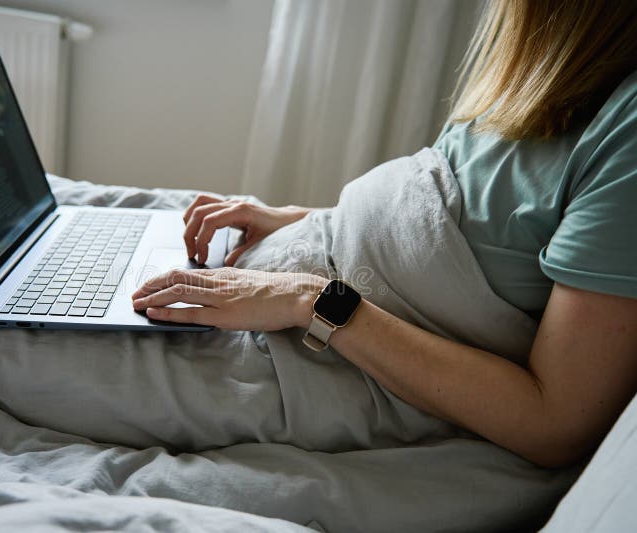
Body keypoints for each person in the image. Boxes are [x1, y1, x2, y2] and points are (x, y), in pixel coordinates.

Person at [132, 0, 637, 468]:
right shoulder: (546, 59)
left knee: (56, 348)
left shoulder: (627, 128)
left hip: (328, 354)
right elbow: (451, 219)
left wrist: (310, 300)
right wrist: (300, 218)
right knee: (89, 243)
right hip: (293, 272)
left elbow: (556, 424)